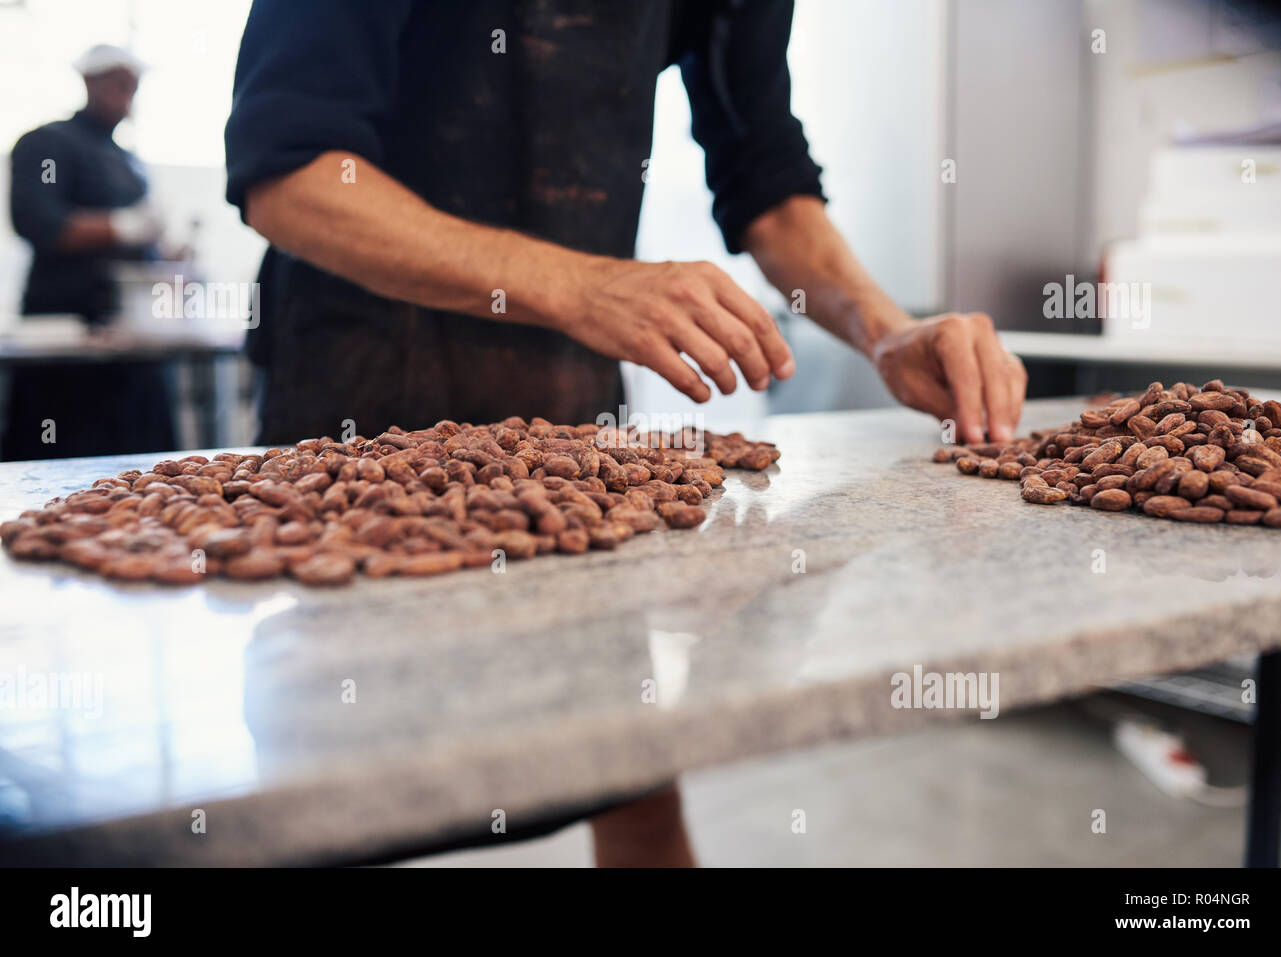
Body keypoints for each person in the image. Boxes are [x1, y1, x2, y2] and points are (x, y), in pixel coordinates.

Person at [225, 0, 1027, 866]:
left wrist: (884, 329)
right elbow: (291, 174)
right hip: (356, 407)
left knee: (630, 769)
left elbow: (763, 171)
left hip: (564, 418)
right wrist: (584, 287)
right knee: (330, 791)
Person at [4, 44, 176, 461]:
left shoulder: (127, 160)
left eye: (132, 89)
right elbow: (41, 224)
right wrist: (122, 226)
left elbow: (143, 243)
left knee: (144, 458)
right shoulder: (47, 144)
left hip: (130, 339)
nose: (126, 98)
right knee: (62, 458)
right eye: (118, 86)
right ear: (90, 81)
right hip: (65, 337)